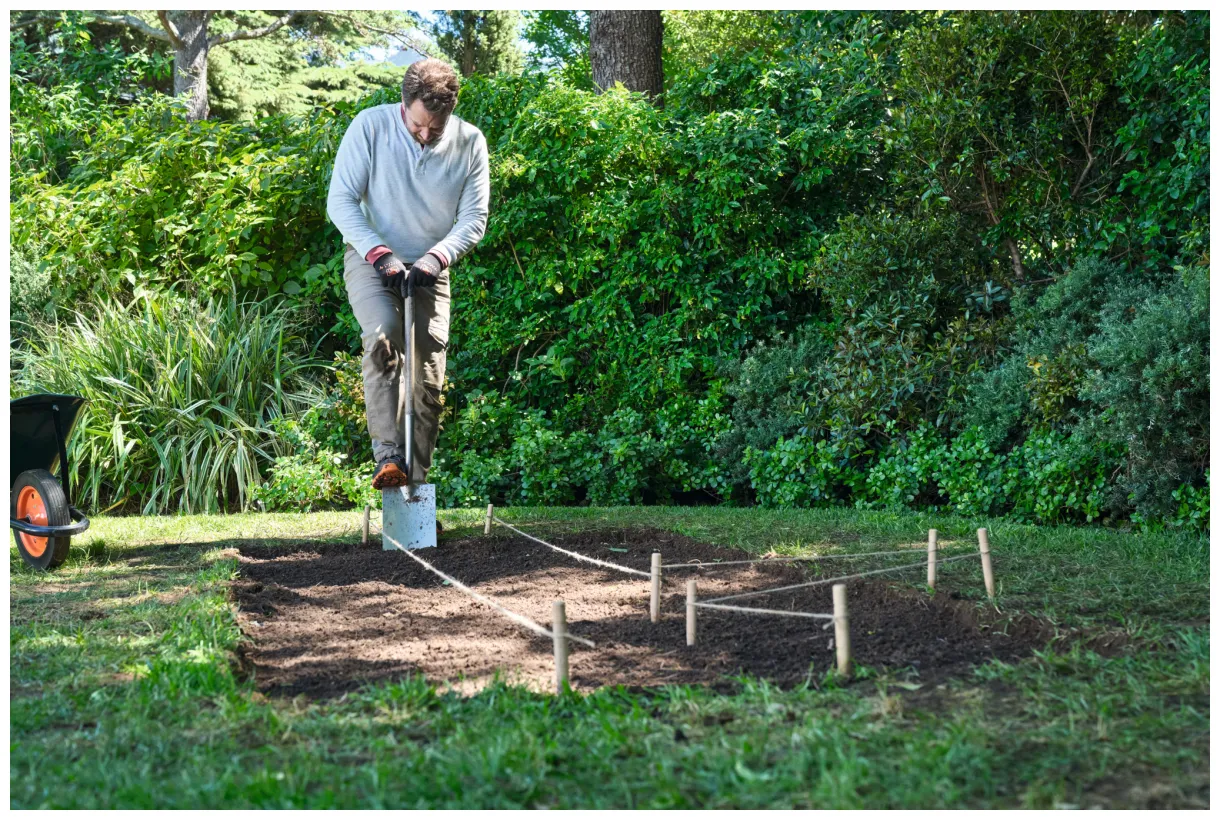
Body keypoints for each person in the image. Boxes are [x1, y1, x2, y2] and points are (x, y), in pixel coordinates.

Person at [326, 58, 490, 497]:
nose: (425, 134)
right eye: (418, 125)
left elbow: (474, 218)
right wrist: (380, 255)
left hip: (430, 268)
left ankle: (415, 485)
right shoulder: (371, 127)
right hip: (370, 259)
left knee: (429, 373)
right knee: (383, 338)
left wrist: (436, 259)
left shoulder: (470, 142)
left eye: (435, 128)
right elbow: (340, 202)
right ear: (404, 104)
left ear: (450, 111)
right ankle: (388, 459)